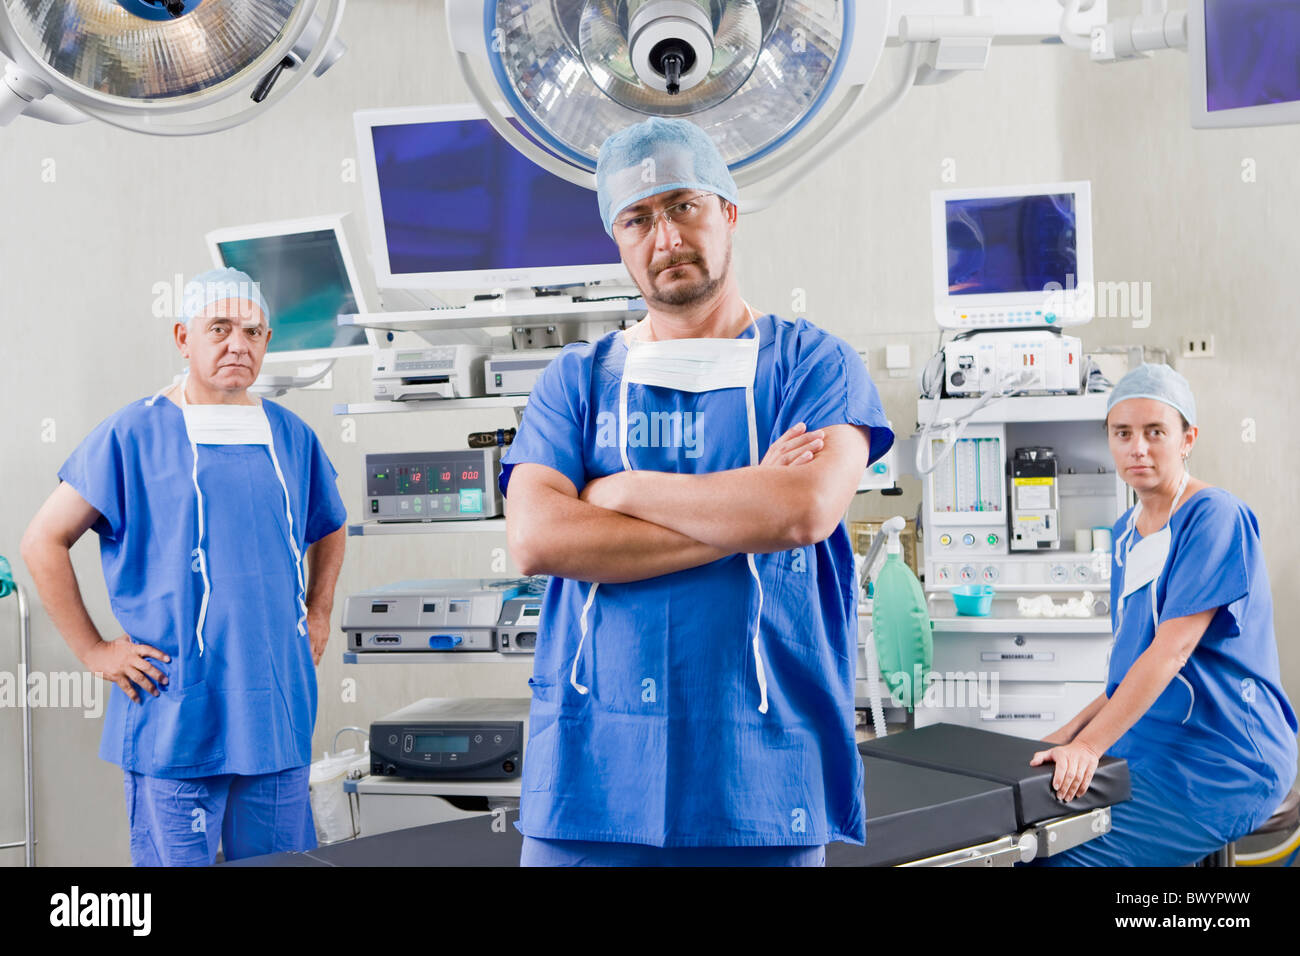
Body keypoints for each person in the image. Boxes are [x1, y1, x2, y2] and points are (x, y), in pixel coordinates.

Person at [499, 116, 895, 866]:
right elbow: (539, 539)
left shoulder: (815, 365)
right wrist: (748, 511)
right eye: (638, 218)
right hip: (590, 782)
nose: (666, 237)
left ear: (729, 212)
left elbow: (804, 510)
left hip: (761, 782)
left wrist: (617, 492)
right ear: (617, 240)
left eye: (685, 205)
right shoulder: (576, 381)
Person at [21, 268, 348, 866]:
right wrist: (95, 651)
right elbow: (42, 540)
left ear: (267, 342)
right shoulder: (133, 434)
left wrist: (319, 611)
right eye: (218, 328)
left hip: (274, 714)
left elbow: (329, 524)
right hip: (176, 715)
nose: (237, 345)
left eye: (252, 332)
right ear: (183, 337)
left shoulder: (290, 436)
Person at [1028, 363, 1297, 866]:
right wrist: (1065, 735)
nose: (1138, 448)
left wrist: (1086, 750)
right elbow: (1129, 672)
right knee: (1027, 833)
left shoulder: (1215, 516)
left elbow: (1170, 652)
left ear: (1187, 438)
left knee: (1060, 859)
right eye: (1122, 433)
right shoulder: (1126, 534)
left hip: (1226, 759)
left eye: (1155, 432)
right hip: (1151, 744)